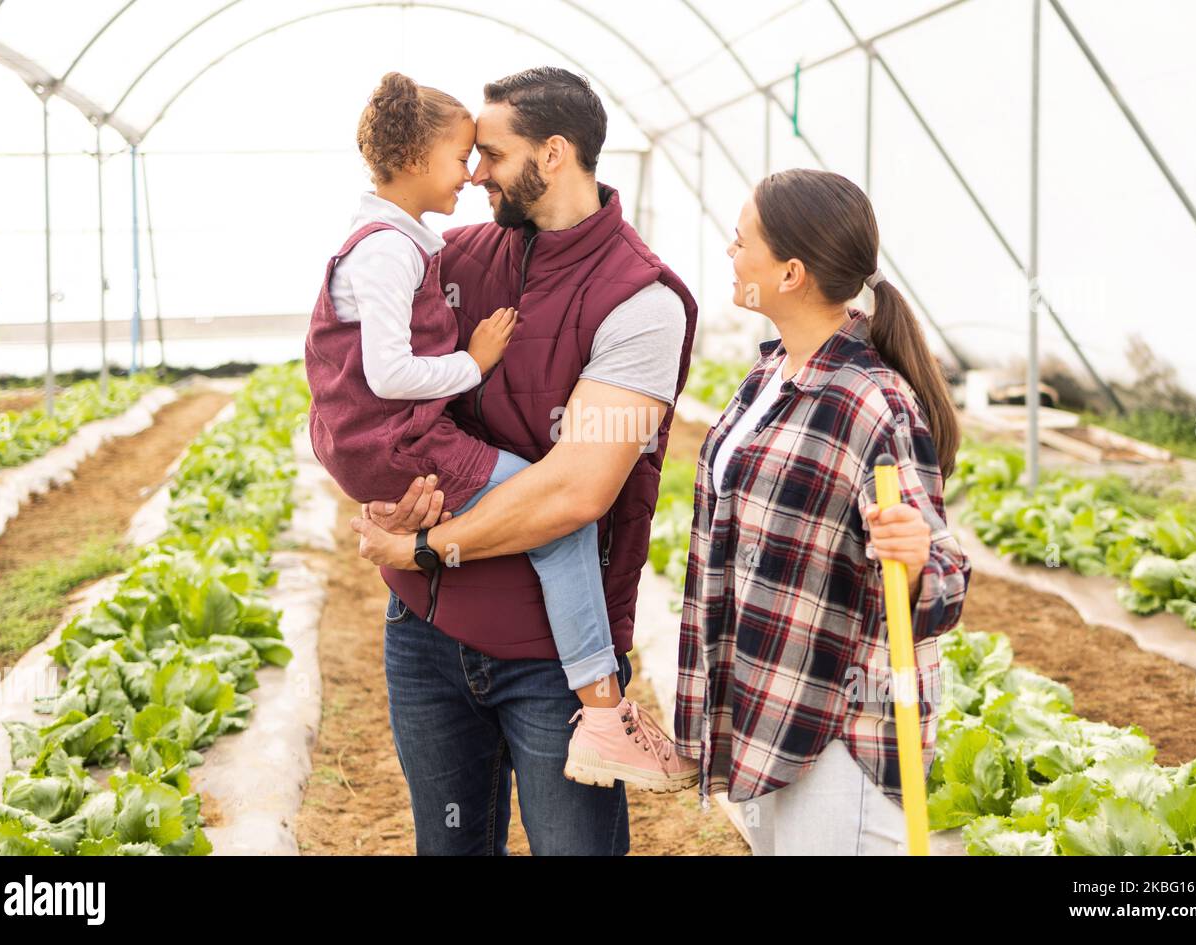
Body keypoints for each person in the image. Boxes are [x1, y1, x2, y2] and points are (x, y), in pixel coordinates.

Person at [342, 67, 701, 855]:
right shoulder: (454, 257)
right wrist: (385, 492)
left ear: (556, 153)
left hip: (552, 662)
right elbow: (377, 391)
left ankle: (608, 721)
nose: (474, 175)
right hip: (427, 632)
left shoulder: (641, 301)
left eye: (493, 156)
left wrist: (426, 544)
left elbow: (575, 492)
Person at [673, 168, 972, 855]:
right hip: (771, 709)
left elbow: (947, 573)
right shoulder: (769, 374)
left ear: (791, 273)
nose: (729, 251)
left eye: (741, 239)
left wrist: (919, 559)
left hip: (839, 737)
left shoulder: (872, 400)